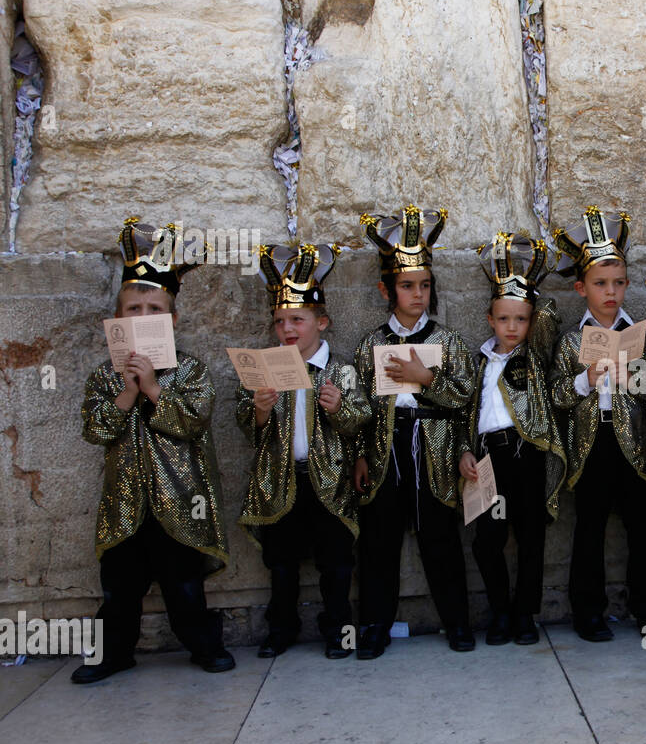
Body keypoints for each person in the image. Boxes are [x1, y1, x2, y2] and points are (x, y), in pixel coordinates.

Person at [74, 217, 234, 683]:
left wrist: (153, 389)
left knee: (184, 585)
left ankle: (204, 644)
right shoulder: (105, 377)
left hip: (181, 500)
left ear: (171, 319)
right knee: (119, 587)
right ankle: (113, 652)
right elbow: (96, 429)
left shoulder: (190, 371)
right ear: (119, 318)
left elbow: (192, 420)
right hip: (125, 504)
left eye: (153, 309)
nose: (143, 318)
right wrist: (127, 392)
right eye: (133, 309)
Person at [352, 206, 477, 656]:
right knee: (379, 539)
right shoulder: (370, 343)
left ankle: (458, 622)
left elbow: (466, 400)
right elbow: (362, 404)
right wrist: (362, 454)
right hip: (387, 445)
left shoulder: (449, 342)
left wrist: (427, 380)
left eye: (425, 286)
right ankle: (373, 627)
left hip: (434, 446)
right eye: (408, 286)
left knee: (439, 535)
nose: (418, 294)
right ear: (388, 289)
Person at [237, 242, 371, 659]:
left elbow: (361, 420)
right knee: (281, 563)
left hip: (327, 481)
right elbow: (247, 425)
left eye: (298, 319)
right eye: (280, 321)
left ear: (321, 322)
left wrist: (338, 409)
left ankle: (338, 630)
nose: (288, 329)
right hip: (281, 479)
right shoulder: (265, 366)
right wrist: (258, 411)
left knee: (336, 564)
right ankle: (281, 629)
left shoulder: (341, 369)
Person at [550, 207, 646, 641]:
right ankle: (588, 611)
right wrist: (586, 379)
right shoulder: (569, 340)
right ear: (582, 288)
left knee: (641, 525)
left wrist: (632, 376)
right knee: (590, 526)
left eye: (618, 283)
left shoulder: (643, 333)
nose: (611, 292)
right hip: (591, 442)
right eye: (601, 284)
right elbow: (556, 396)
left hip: (635, 441)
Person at [457, 233, 566, 646]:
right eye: (504, 319)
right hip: (488, 460)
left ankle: (525, 614)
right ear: (490, 320)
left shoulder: (534, 355)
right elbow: (464, 412)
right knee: (488, 541)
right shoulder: (478, 360)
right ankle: (500, 611)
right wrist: (464, 450)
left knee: (530, 538)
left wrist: (530, 288)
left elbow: (549, 316)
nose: (512, 327)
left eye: (521, 319)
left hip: (526, 457)